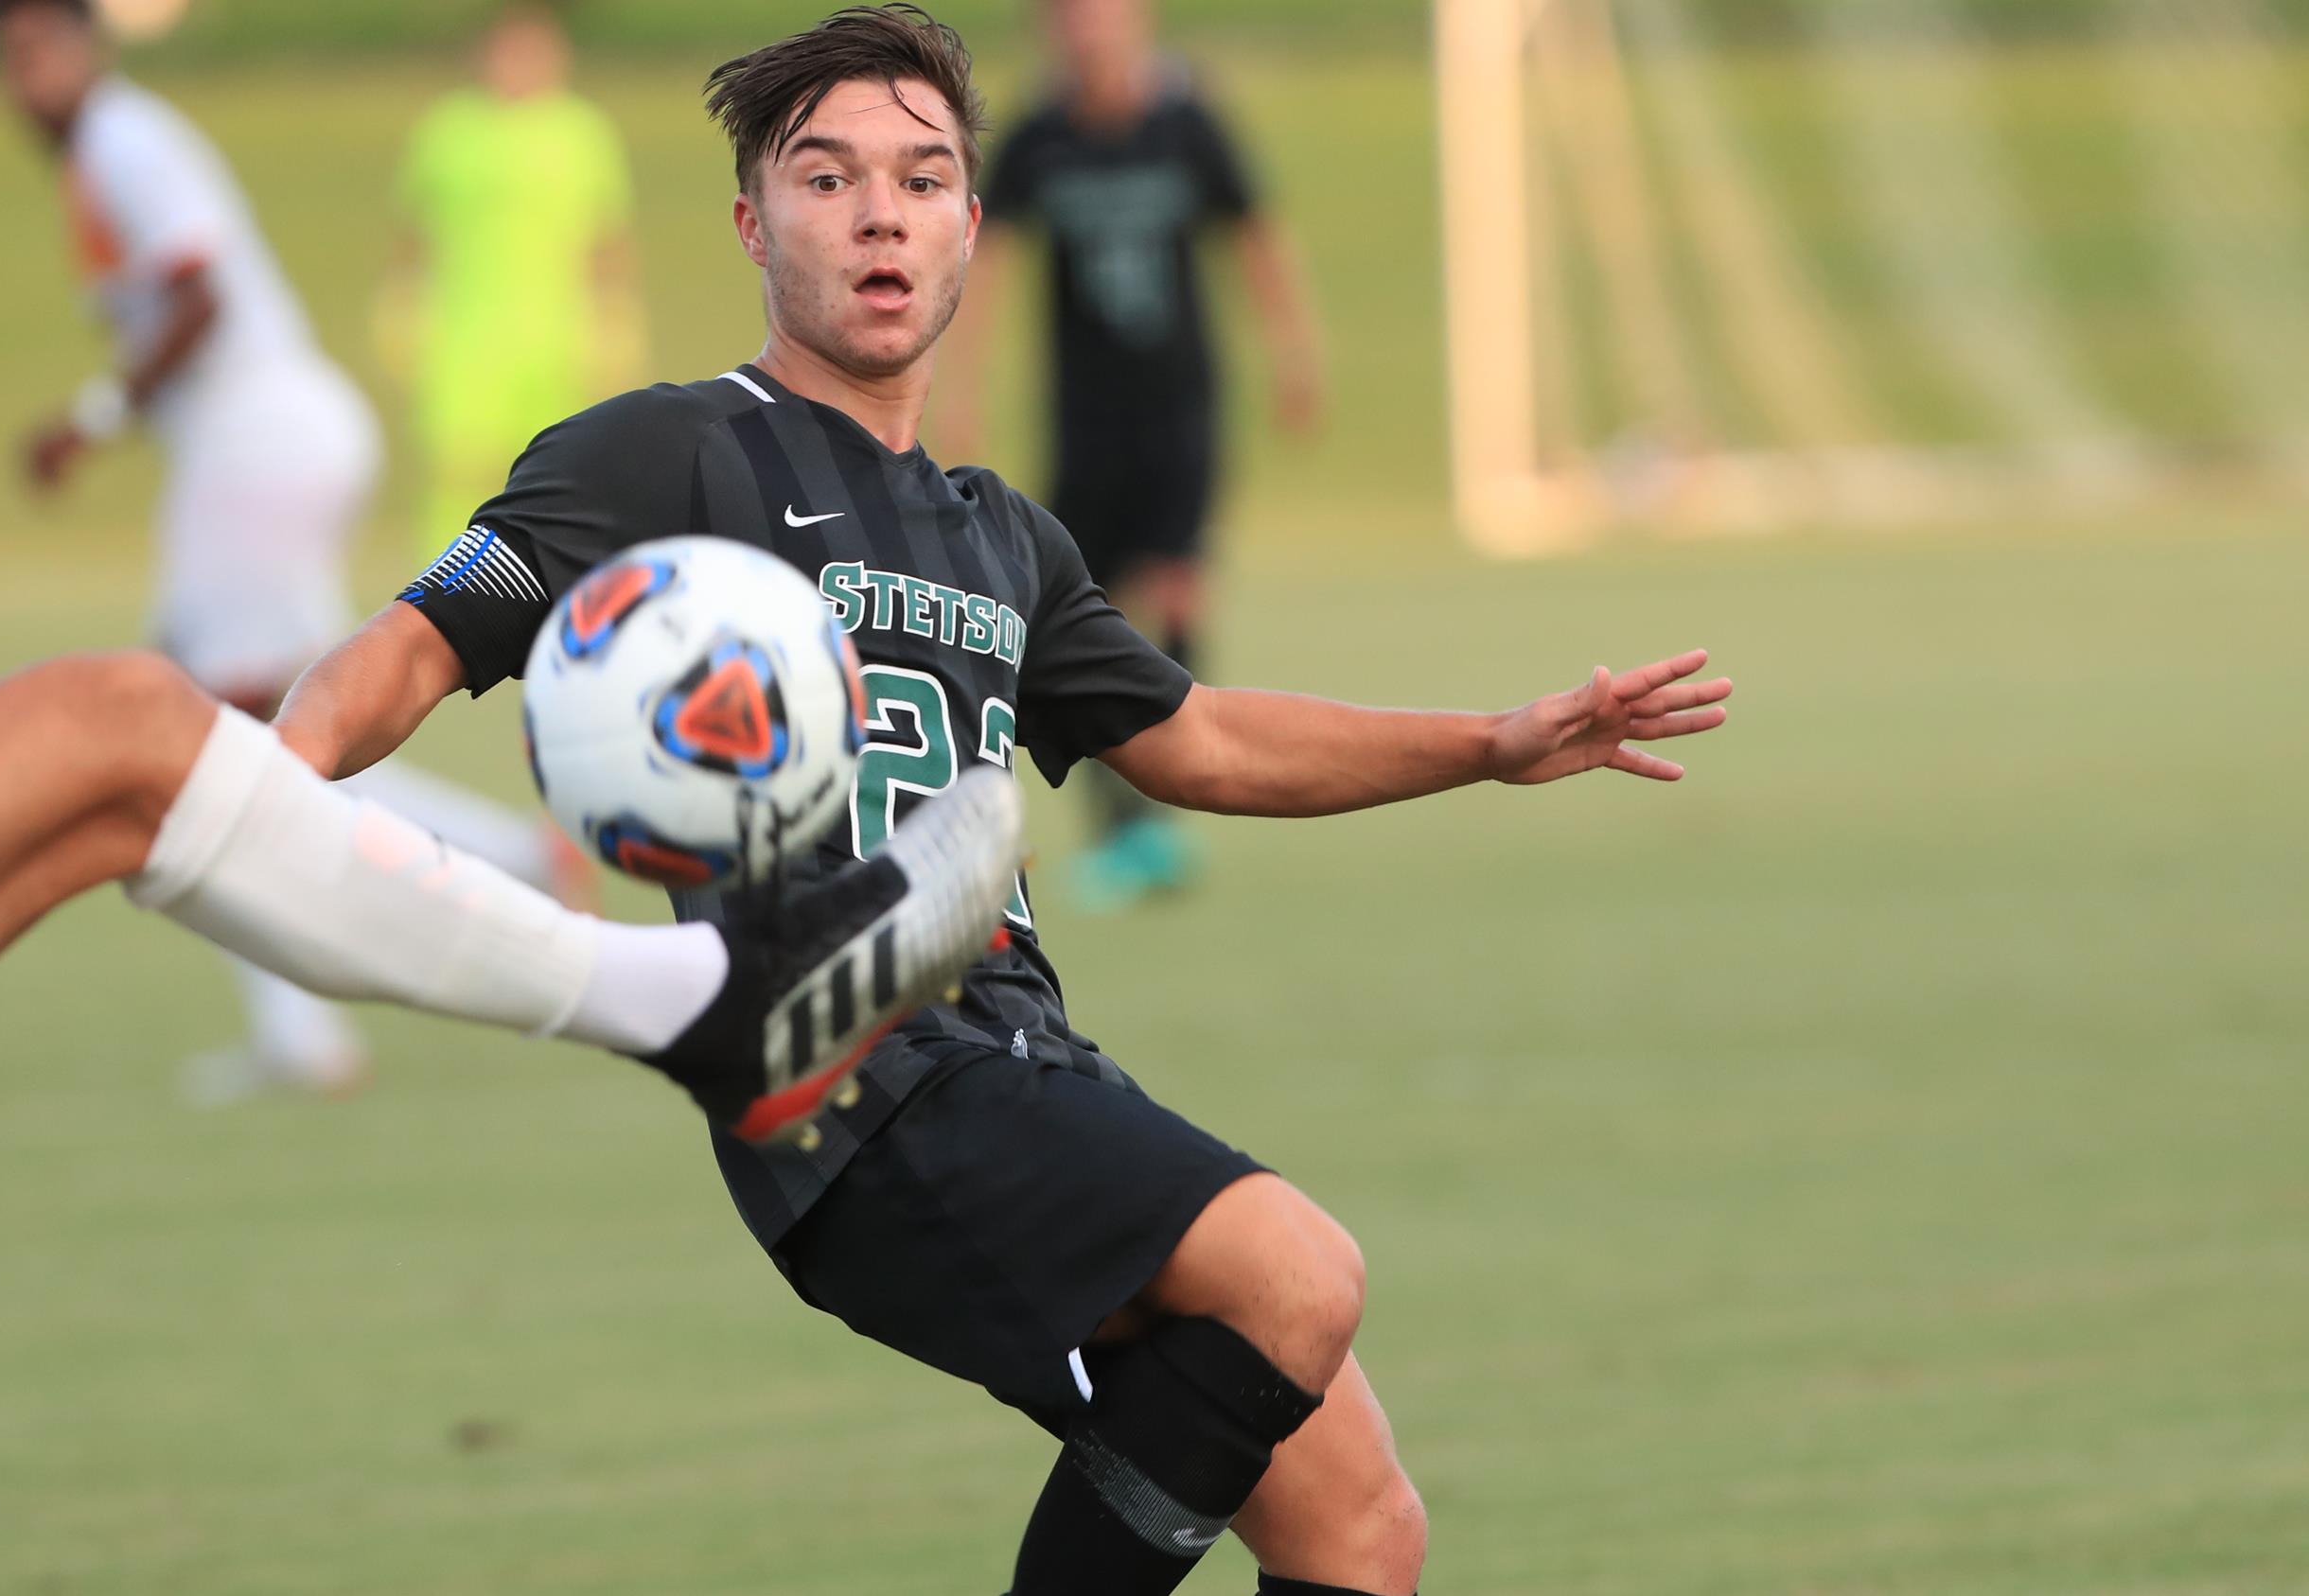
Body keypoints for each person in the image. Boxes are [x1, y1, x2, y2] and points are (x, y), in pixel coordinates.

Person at [0, 4, 1023, 1592]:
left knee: (177, 748)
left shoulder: (124, 142)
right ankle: (697, 998)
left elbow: (199, 292)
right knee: (128, 736)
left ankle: (405, 920)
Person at [275, 9, 1732, 1595]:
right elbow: (420, 638)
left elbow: (1205, 743)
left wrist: (1491, 741)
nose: (879, 211)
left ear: (973, 223)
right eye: (827, 178)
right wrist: (261, 797)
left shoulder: (1002, 536)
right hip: (851, 1068)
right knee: (1297, 1274)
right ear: (755, 223)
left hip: (1016, 1049)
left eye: (921, 177)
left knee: (1361, 1527)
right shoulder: (667, 454)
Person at [0, 0, 589, 1103]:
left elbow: (199, 295)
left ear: (90, 45)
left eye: (40, 48)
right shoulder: (103, 151)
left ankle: (453, 913)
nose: (23, 77)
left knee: (229, 745)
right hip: (264, 449)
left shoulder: (124, 136)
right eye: (7, 56)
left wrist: (94, 418)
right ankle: (336, 994)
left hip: (256, 447)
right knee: (231, 735)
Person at [939, 0, 1327, 911]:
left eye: (1103, 14)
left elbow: (1255, 235)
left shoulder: (1188, 124)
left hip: (1182, 410)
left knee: (1180, 585)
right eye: (1070, 17)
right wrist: (960, 387)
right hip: (1086, 420)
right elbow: (985, 261)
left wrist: (1295, 351)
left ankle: (1166, 816)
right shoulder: (1038, 138)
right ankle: (1124, 827)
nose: (1089, 31)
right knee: (1083, 614)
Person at [382, 0, 643, 552]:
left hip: (557, 327)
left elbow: (607, 237)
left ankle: (546, 580)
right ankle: (447, 588)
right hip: (464, 329)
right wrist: (401, 306)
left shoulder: (581, 132)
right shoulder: (450, 130)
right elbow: (413, 232)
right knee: (462, 468)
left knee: (561, 466)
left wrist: (615, 318)